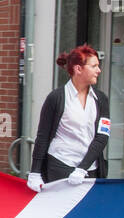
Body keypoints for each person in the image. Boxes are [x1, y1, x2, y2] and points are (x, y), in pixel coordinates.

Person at [28, 44, 111, 191]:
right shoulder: (56, 98)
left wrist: (82, 168)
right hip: (61, 164)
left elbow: (102, 137)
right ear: (78, 69)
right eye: (94, 66)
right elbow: (43, 136)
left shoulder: (101, 99)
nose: (99, 70)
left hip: (90, 168)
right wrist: (35, 172)